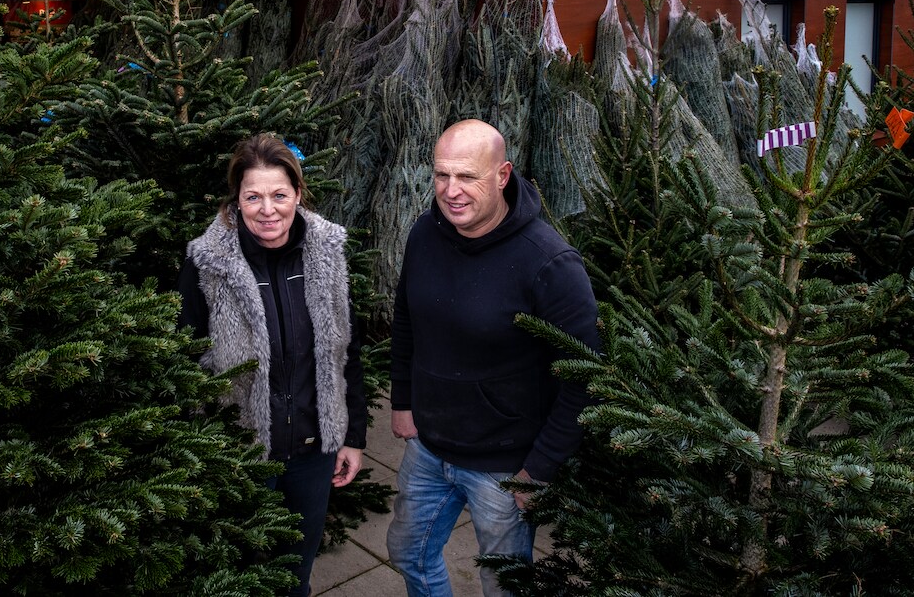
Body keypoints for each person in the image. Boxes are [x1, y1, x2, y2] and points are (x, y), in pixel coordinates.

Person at [386, 118, 601, 597]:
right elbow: (406, 320)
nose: (451, 191)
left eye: (467, 177)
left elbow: (585, 377)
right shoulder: (425, 233)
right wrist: (402, 400)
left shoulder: (548, 262)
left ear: (502, 176)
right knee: (408, 554)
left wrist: (538, 469)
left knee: (504, 585)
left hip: (503, 467)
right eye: (441, 175)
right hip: (428, 447)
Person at [178, 133, 366, 597]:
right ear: (237, 201)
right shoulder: (207, 265)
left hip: (312, 450)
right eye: (253, 197)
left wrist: (353, 437)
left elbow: (348, 352)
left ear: (298, 195)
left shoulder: (326, 255)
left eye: (279, 195)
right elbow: (183, 363)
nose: (268, 209)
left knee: (294, 578)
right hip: (241, 457)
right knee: (239, 579)